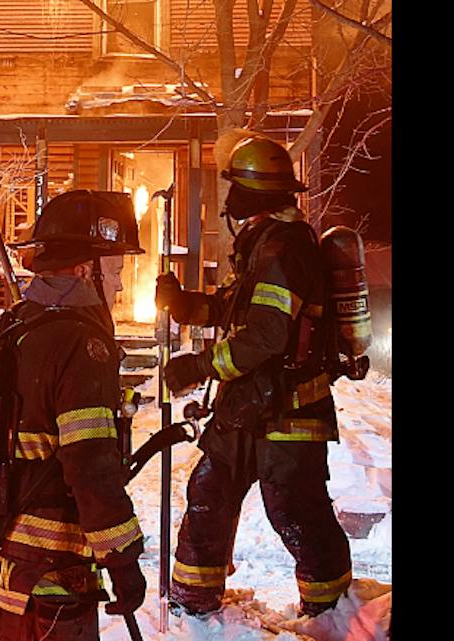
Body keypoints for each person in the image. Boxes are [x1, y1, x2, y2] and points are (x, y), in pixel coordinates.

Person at [156, 133, 352, 618]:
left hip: (289, 409)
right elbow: (234, 308)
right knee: (209, 492)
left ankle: (330, 611)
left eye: (235, 188)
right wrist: (186, 306)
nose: (229, 200)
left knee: (294, 509)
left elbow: (266, 336)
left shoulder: (285, 249)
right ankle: (193, 603)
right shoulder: (262, 244)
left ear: (255, 194)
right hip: (246, 406)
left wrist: (199, 365)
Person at [0, 190, 147, 641]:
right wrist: (123, 560)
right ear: (85, 270)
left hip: (4, 569)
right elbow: (89, 468)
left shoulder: (18, 326)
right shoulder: (80, 346)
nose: (121, 286)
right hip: (51, 574)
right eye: (116, 271)